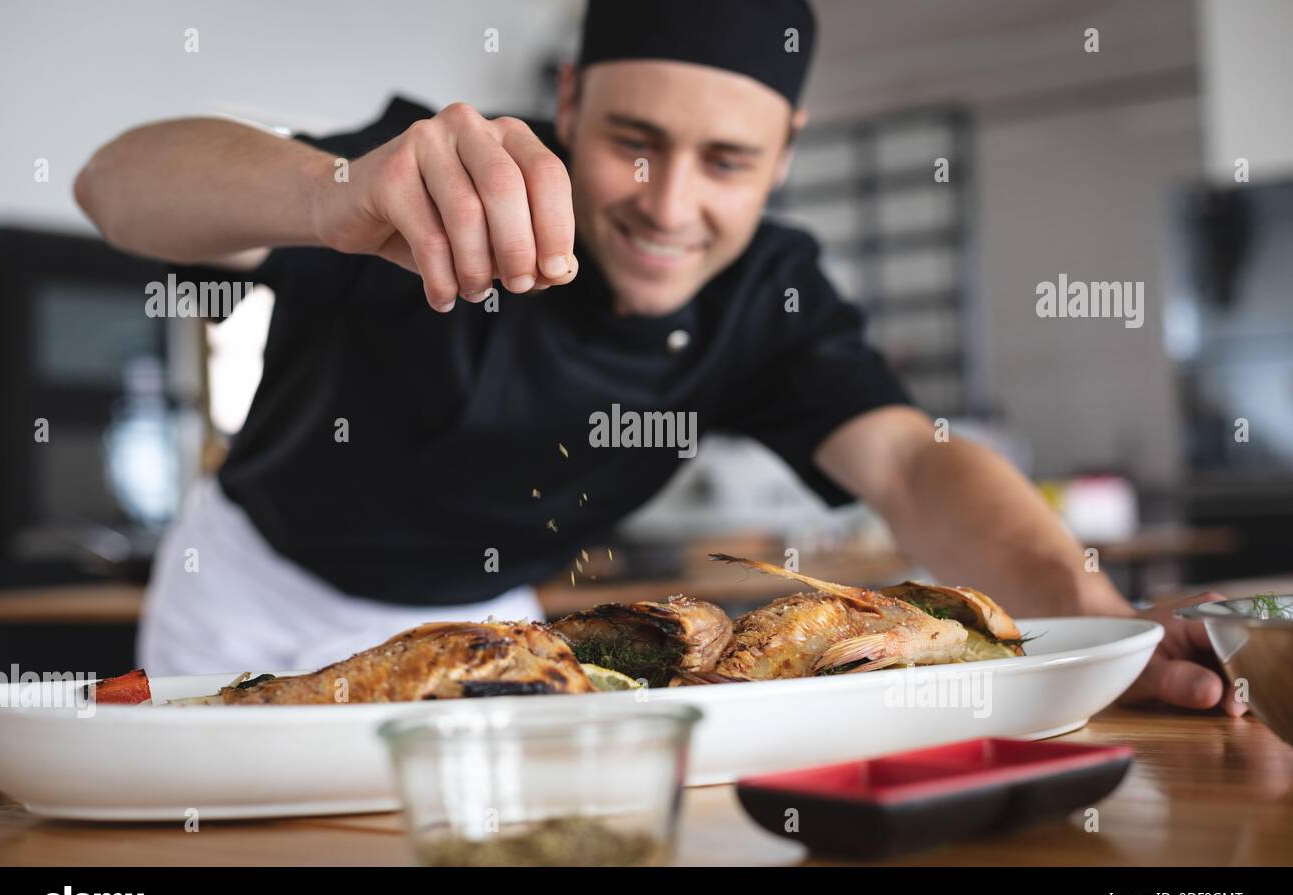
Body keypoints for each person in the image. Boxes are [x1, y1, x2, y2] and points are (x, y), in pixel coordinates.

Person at [74, 0, 1242, 714]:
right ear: (571, 99)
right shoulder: (428, 176)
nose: (668, 205)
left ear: (783, 155)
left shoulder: (770, 293)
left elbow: (914, 467)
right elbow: (112, 185)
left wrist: (1093, 627)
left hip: (488, 619)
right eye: (634, 142)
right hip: (249, 596)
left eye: (726, 161)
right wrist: (323, 192)